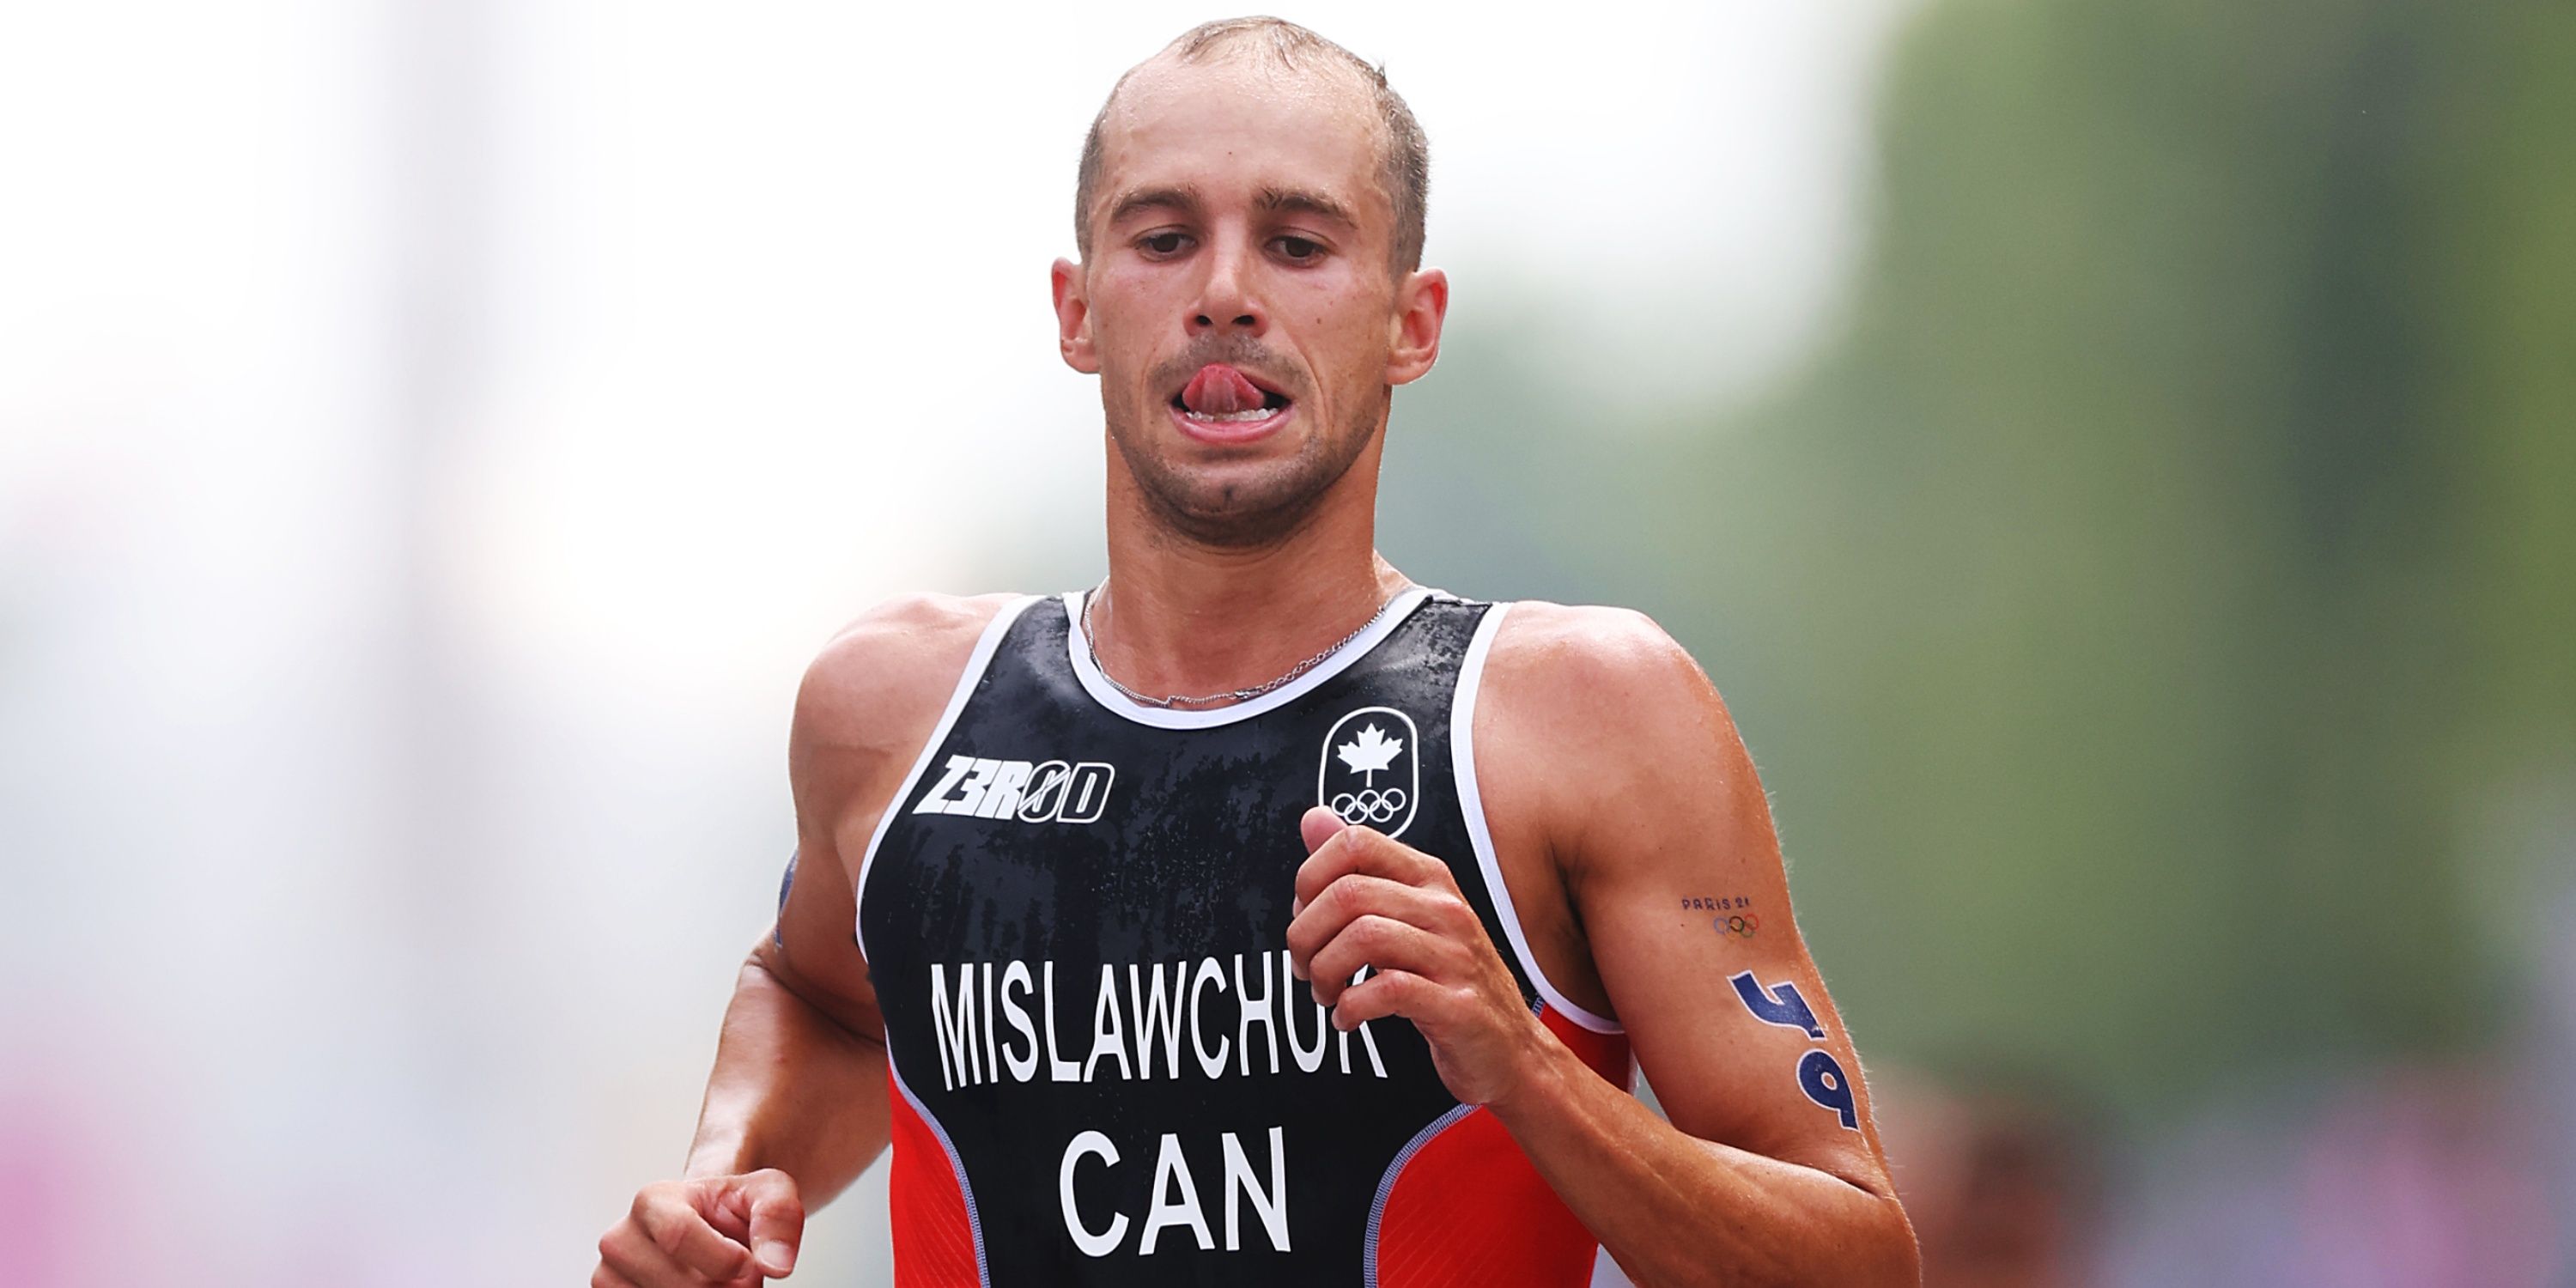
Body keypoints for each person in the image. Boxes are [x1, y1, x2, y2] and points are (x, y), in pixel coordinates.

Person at [593, 17, 1917, 1287]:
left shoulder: (1584, 719)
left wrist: (1525, 1063)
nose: (1224, 293)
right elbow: (822, 998)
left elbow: (1859, 1261)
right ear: (1076, 309)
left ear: (1412, 321)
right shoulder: (893, 709)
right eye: (1164, 238)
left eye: (1296, 243)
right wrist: (726, 1179)